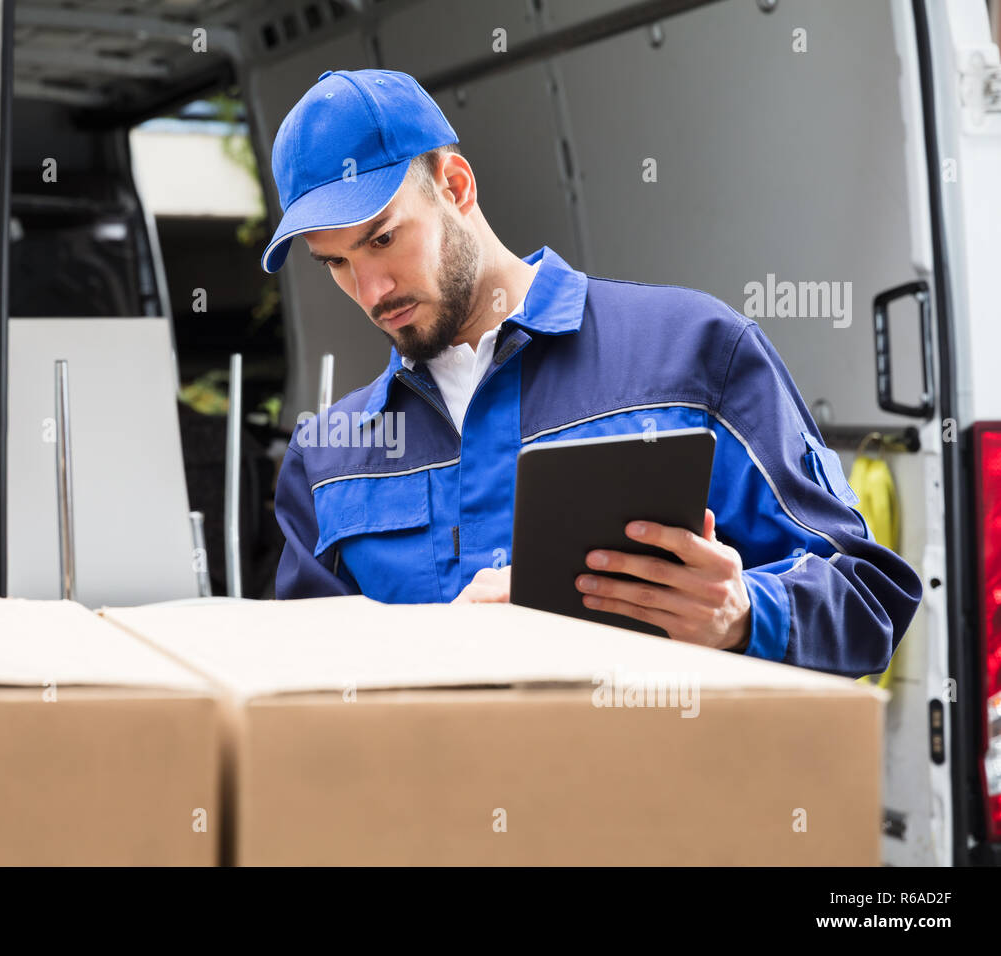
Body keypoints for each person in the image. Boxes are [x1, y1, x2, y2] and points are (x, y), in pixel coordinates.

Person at [261, 68, 921, 677]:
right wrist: (436, 653)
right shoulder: (330, 460)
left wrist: (745, 615)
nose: (371, 290)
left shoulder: (691, 353)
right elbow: (301, 694)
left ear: (456, 186)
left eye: (382, 238)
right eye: (335, 263)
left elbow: (869, 601)